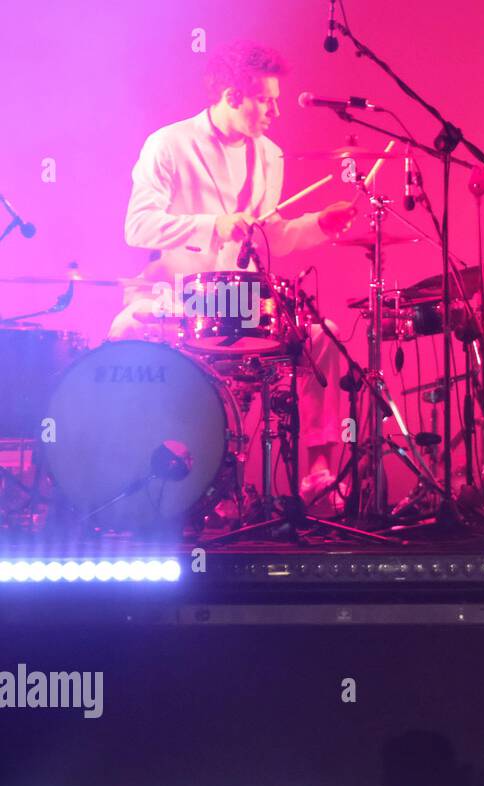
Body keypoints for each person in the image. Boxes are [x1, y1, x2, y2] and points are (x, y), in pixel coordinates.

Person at [109, 40, 355, 497]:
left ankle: (317, 474)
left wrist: (320, 224)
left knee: (323, 337)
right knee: (121, 338)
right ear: (230, 96)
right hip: (173, 297)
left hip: (236, 305)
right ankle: (126, 480)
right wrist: (215, 225)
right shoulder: (168, 144)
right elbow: (137, 227)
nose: (274, 111)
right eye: (265, 100)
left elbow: (269, 234)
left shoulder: (270, 155)